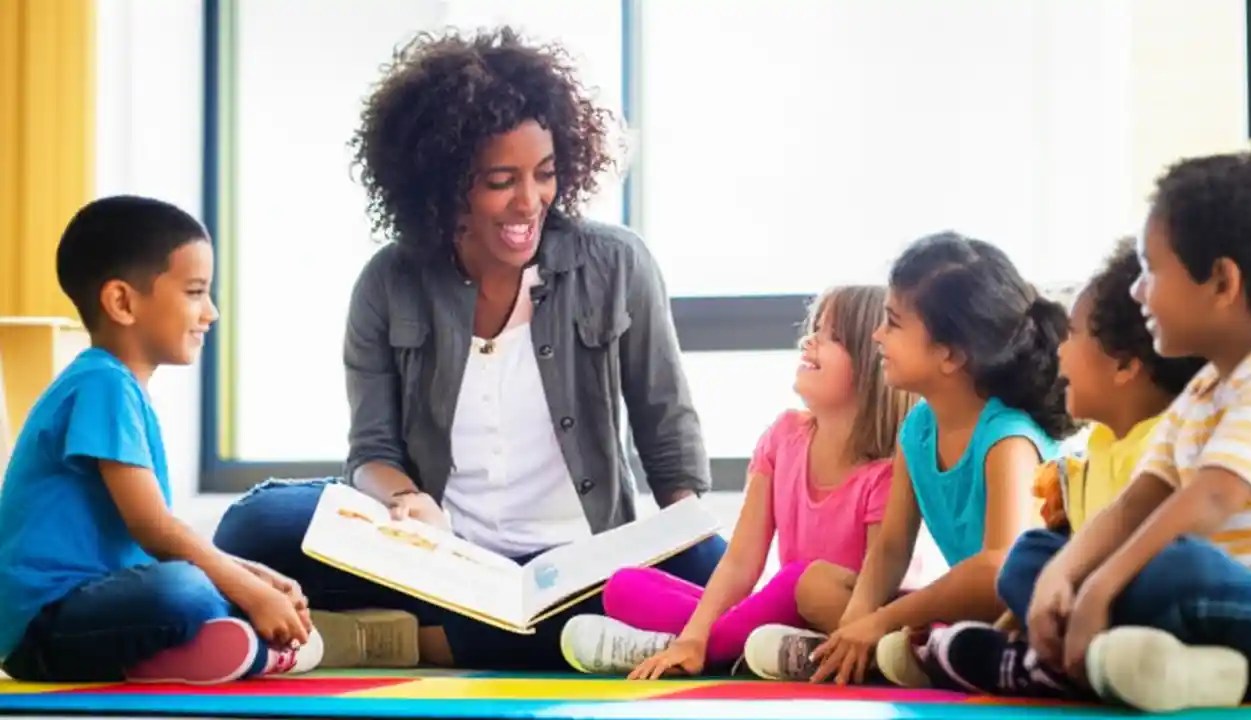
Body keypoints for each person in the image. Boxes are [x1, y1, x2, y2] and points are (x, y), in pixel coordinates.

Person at [211, 27, 725, 671]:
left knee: (709, 568)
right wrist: (407, 503)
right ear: (446, 185)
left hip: (583, 561)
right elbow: (371, 453)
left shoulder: (617, 264)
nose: (529, 202)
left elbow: (667, 430)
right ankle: (569, 643)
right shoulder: (388, 284)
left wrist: (680, 537)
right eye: (500, 181)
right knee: (255, 528)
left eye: (544, 174)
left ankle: (409, 642)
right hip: (439, 565)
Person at [996, 151, 1251, 712]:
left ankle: (1080, 662)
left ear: (1222, 281)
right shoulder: (1200, 393)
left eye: (1152, 270)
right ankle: (1173, 670)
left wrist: (1100, 586)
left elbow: (1215, 495)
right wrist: (1064, 574)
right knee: (1033, 556)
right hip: (1196, 607)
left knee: (1178, 564)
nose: (1136, 291)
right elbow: (1132, 507)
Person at [0, 196, 321, 684]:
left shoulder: (117, 387)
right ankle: (228, 645)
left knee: (201, 582)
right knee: (183, 589)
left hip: (96, 610)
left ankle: (222, 648)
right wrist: (248, 591)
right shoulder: (102, 385)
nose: (210, 312)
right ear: (123, 302)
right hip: (44, 628)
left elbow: (151, 542)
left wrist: (252, 574)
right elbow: (155, 529)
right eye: (195, 291)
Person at [743, 233, 1075, 684]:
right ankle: (881, 654)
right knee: (817, 585)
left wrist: (880, 621)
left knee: (952, 628)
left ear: (950, 354)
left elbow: (1001, 567)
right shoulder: (919, 427)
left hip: (1021, 612)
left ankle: (917, 652)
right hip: (968, 607)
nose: (878, 335)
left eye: (894, 324)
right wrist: (853, 625)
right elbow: (891, 546)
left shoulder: (1008, 439)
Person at [558, 286, 916, 677]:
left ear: (869, 364)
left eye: (831, 336)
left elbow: (874, 585)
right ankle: (730, 649)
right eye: (814, 328)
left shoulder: (886, 472)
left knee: (803, 580)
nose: (808, 340)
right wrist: (694, 634)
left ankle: (678, 650)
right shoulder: (782, 437)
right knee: (623, 585)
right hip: (777, 618)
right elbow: (741, 562)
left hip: (847, 615)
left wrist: (701, 636)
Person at [918, 237, 1204, 695]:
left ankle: (1057, 666)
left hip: (1147, 600)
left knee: (1163, 573)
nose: (1059, 352)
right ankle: (1031, 656)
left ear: (1125, 366)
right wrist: (1007, 625)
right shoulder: (1098, 443)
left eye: (1072, 335)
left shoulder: (1166, 441)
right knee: (1030, 554)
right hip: (1091, 607)